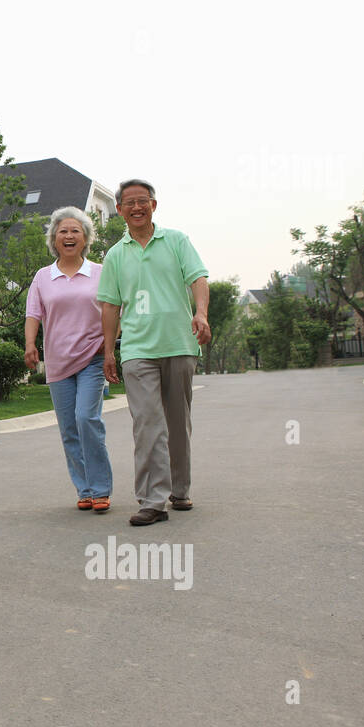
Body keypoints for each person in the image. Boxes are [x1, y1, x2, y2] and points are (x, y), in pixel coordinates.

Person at [96, 180, 210, 526]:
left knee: (177, 423)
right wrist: (109, 350)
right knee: (147, 424)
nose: (136, 207)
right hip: (137, 350)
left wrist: (201, 313)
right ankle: (152, 501)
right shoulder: (115, 254)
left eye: (142, 201)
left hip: (179, 344)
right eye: (129, 203)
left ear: (153, 205)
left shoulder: (176, 241)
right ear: (119, 210)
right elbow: (110, 306)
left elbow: (198, 278)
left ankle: (179, 490)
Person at [25, 206, 114, 513]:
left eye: (75, 230)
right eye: (63, 231)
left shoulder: (101, 272)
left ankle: (101, 488)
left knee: (87, 418)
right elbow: (33, 313)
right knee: (68, 428)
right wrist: (29, 345)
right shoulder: (43, 277)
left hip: (92, 357)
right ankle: (85, 488)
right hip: (58, 361)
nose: (69, 235)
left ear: (86, 238)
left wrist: (110, 347)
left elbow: (112, 310)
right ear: (54, 238)